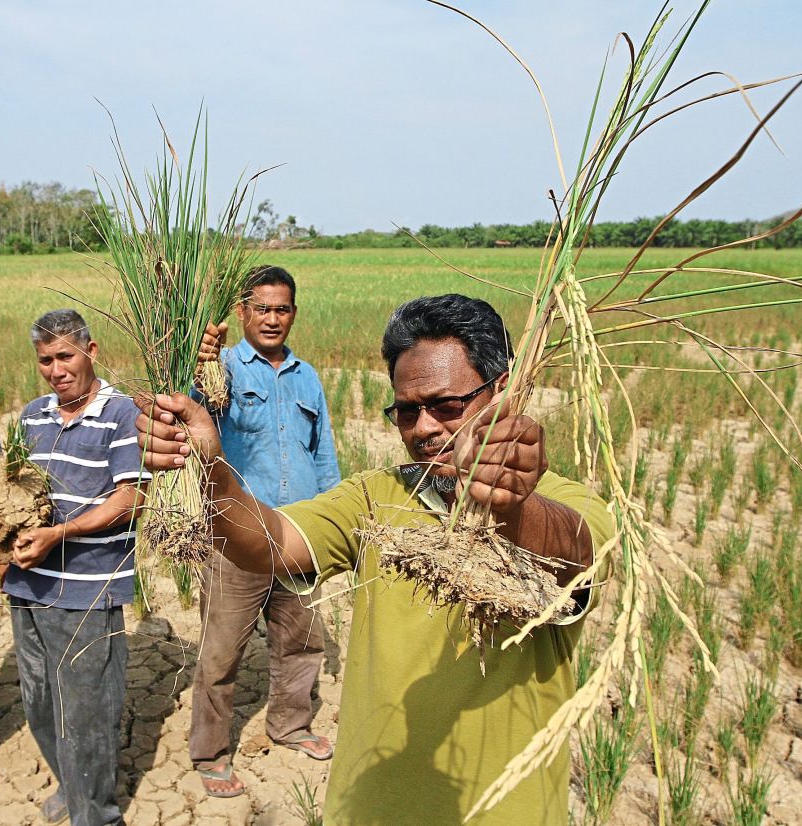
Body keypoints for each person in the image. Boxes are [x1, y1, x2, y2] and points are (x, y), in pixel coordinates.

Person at [137, 294, 614, 825]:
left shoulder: (569, 507)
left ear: (502, 390)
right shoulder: (376, 497)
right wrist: (210, 467)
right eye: (407, 411)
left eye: (446, 405)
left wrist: (509, 505)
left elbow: (572, 560)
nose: (425, 428)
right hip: (366, 809)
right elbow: (271, 541)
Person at [190, 265, 341, 797]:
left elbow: (322, 451)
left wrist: (332, 519)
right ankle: (210, 753)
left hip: (300, 530)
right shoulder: (221, 366)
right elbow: (194, 415)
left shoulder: (307, 376)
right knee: (221, 651)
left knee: (299, 642)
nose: (273, 319)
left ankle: (291, 725)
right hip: (238, 535)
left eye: (282, 309)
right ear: (243, 312)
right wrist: (202, 361)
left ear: (293, 313)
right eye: (262, 309)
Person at [0, 309, 149, 826]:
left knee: (85, 713)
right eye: (45, 360)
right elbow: (15, 493)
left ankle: (97, 813)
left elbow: (130, 497)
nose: (56, 369)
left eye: (65, 356)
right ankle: (72, 784)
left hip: (87, 589)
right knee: (40, 702)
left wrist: (60, 534)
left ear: (92, 351)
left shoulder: (122, 413)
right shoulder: (32, 416)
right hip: (27, 585)